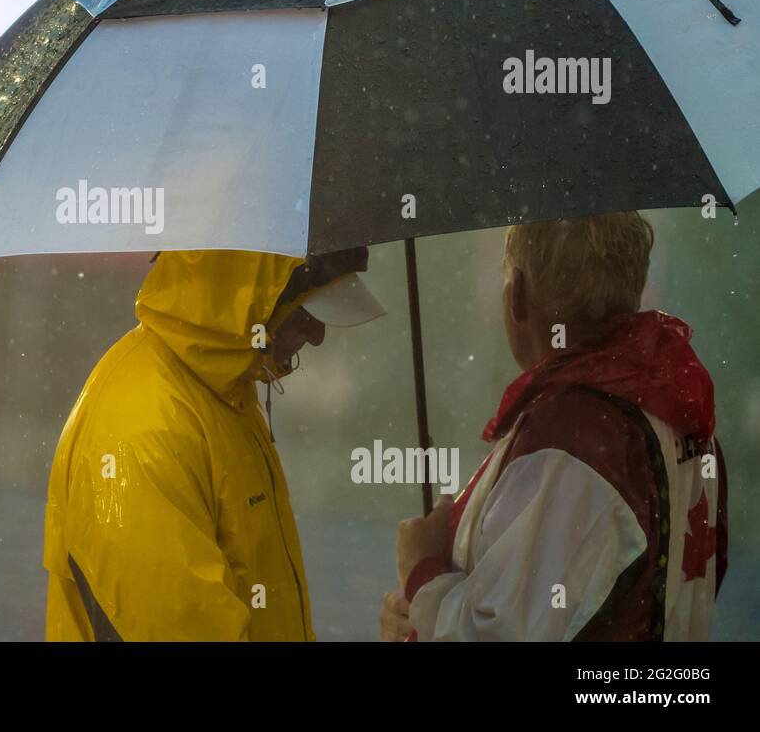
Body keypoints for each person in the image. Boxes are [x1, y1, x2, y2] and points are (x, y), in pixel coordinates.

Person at [381, 212, 728, 642]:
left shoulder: (575, 439)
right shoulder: (682, 414)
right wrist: (417, 617)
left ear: (518, 296)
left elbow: (504, 636)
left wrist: (421, 574)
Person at [44, 247, 384, 641]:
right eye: (307, 315)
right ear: (254, 301)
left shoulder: (221, 397)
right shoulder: (144, 430)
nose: (318, 336)